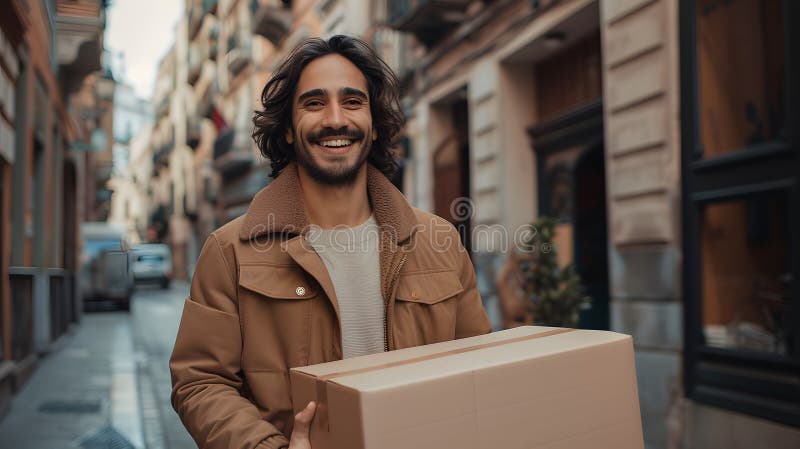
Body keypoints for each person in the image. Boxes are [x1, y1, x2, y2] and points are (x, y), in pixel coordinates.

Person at [169, 35, 491, 449]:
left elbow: (480, 369)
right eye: (314, 103)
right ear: (287, 129)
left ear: (374, 127)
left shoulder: (441, 241)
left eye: (353, 102)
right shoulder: (230, 251)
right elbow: (199, 382)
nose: (336, 119)